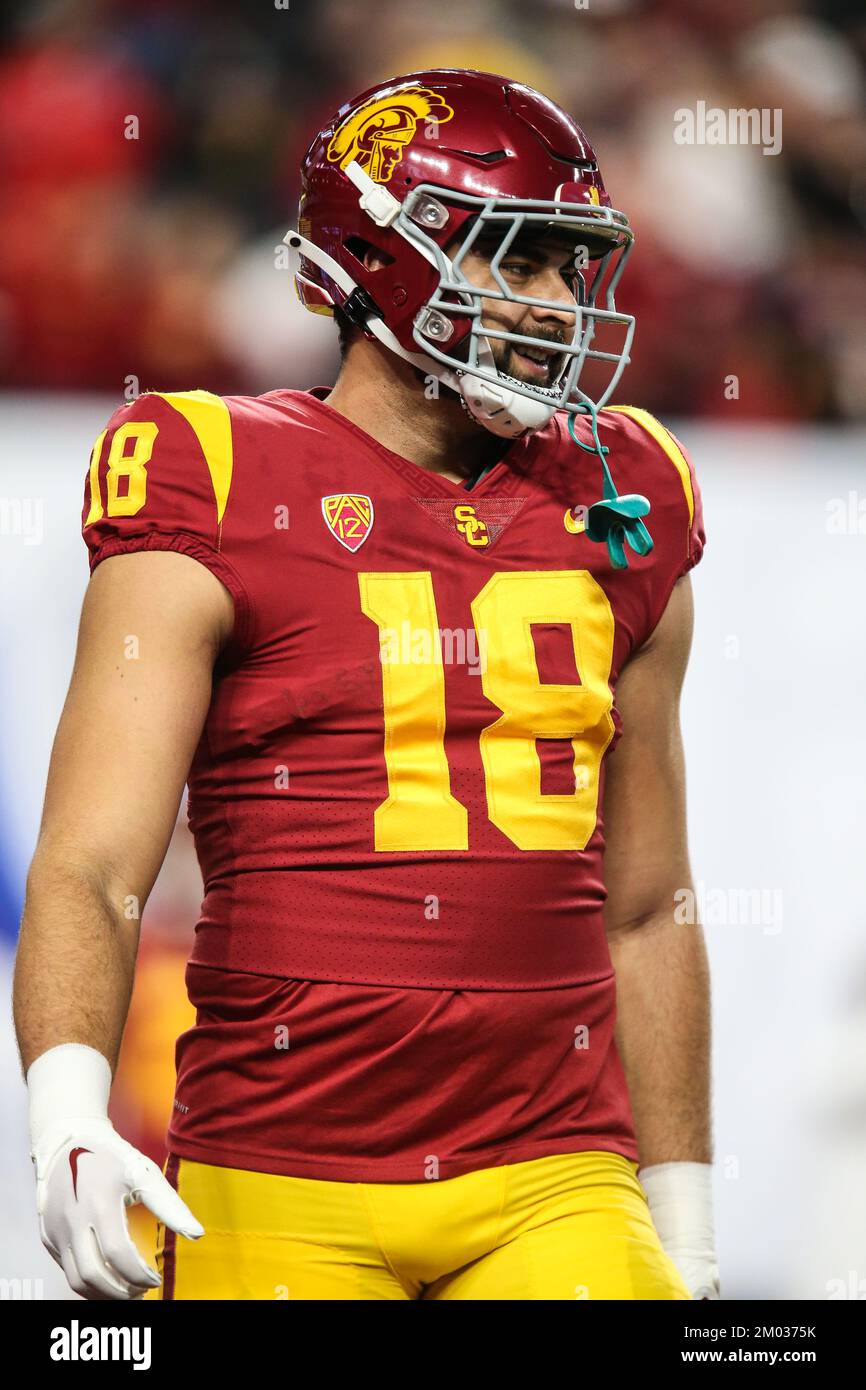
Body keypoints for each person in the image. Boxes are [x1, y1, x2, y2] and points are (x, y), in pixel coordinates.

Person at [14, 68, 718, 1300]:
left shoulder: (623, 495)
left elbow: (646, 904)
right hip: (276, 1172)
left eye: (573, 266)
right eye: (519, 261)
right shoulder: (211, 469)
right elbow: (90, 864)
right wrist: (67, 1105)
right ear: (381, 261)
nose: (559, 306)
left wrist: (684, 1216)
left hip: (554, 1172)